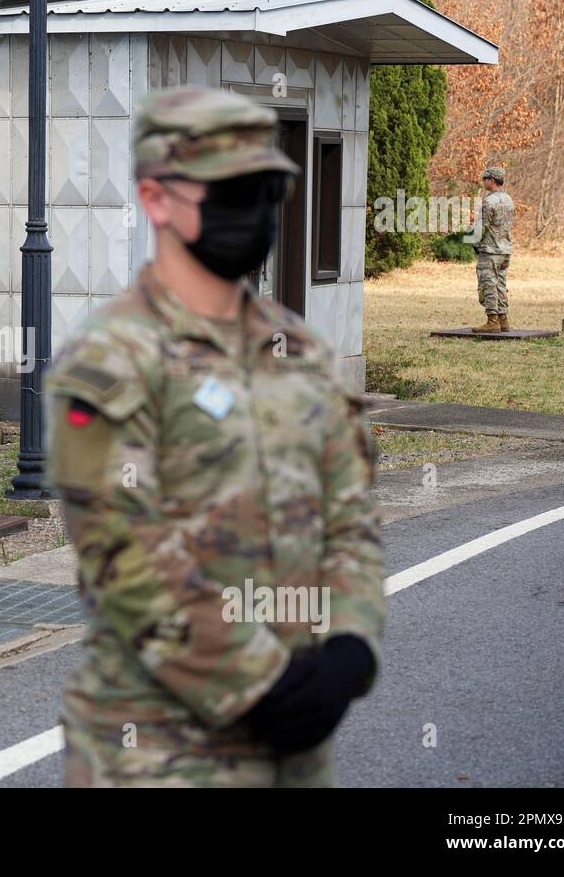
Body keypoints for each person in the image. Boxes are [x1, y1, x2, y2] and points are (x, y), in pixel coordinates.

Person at [45, 87, 386, 787]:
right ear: (157, 199)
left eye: (264, 190)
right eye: (227, 192)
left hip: (297, 747)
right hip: (159, 753)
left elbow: (350, 516)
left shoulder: (304, 352)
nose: (253, 212)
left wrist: (351, 644)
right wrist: (256, 683)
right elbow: (122, 551)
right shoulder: (112, 359)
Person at [468, 166, 514, 333]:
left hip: (490, 250)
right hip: (505, 249)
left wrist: (473, 241)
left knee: (488, 284)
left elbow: (483, 227)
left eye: (485, 179)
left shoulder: (489, 201)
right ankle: (503, 319)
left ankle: (492, 321)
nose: (483, 181)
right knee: (500, 284)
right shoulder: (508, 199)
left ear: (492, 180)